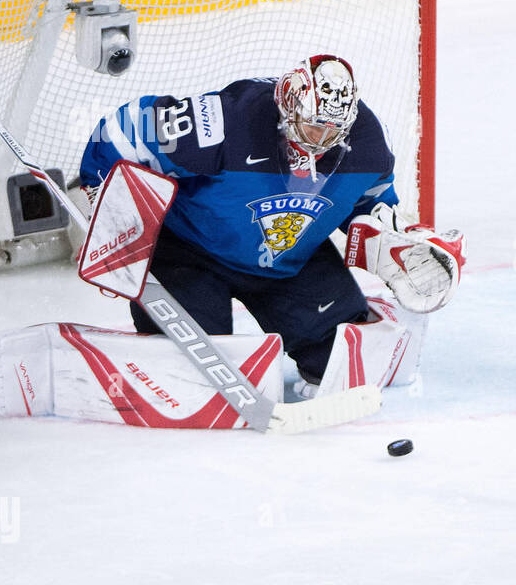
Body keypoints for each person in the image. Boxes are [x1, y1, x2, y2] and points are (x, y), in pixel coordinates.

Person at [78, 54, 463, 396]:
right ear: (289, 108)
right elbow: (120, 132)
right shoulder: (226, 122)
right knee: (193, 376)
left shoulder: (368, 142)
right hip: (189, 251)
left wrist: (396, 238)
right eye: (314, 128)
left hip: (289, 260)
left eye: (334, 131)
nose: (323, 141)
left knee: (344, 369)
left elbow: (370, 202)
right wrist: (109, 209)